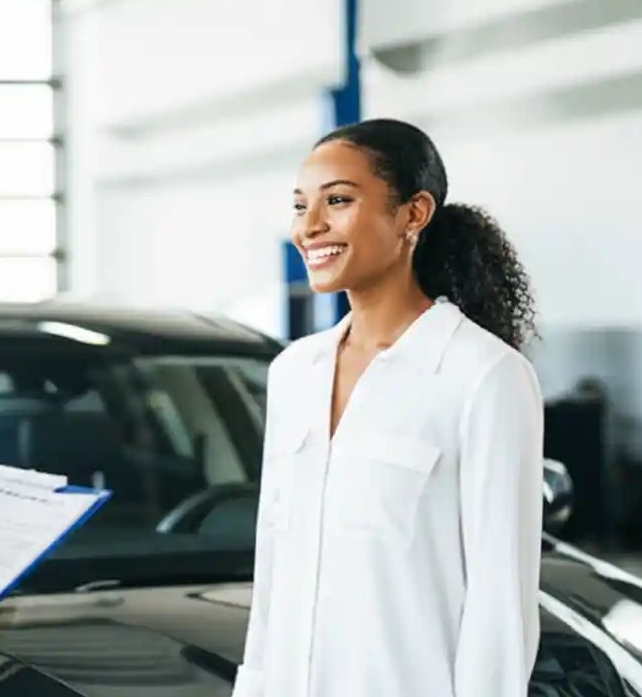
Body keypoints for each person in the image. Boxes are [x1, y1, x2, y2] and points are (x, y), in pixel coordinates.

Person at [231, 118, 543, 697]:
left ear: (414, 214)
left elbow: (501, 606)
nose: (311, 227)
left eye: (339, 201)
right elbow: (274, 574)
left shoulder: (483, 376)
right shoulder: (294, 373)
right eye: (301, 207)